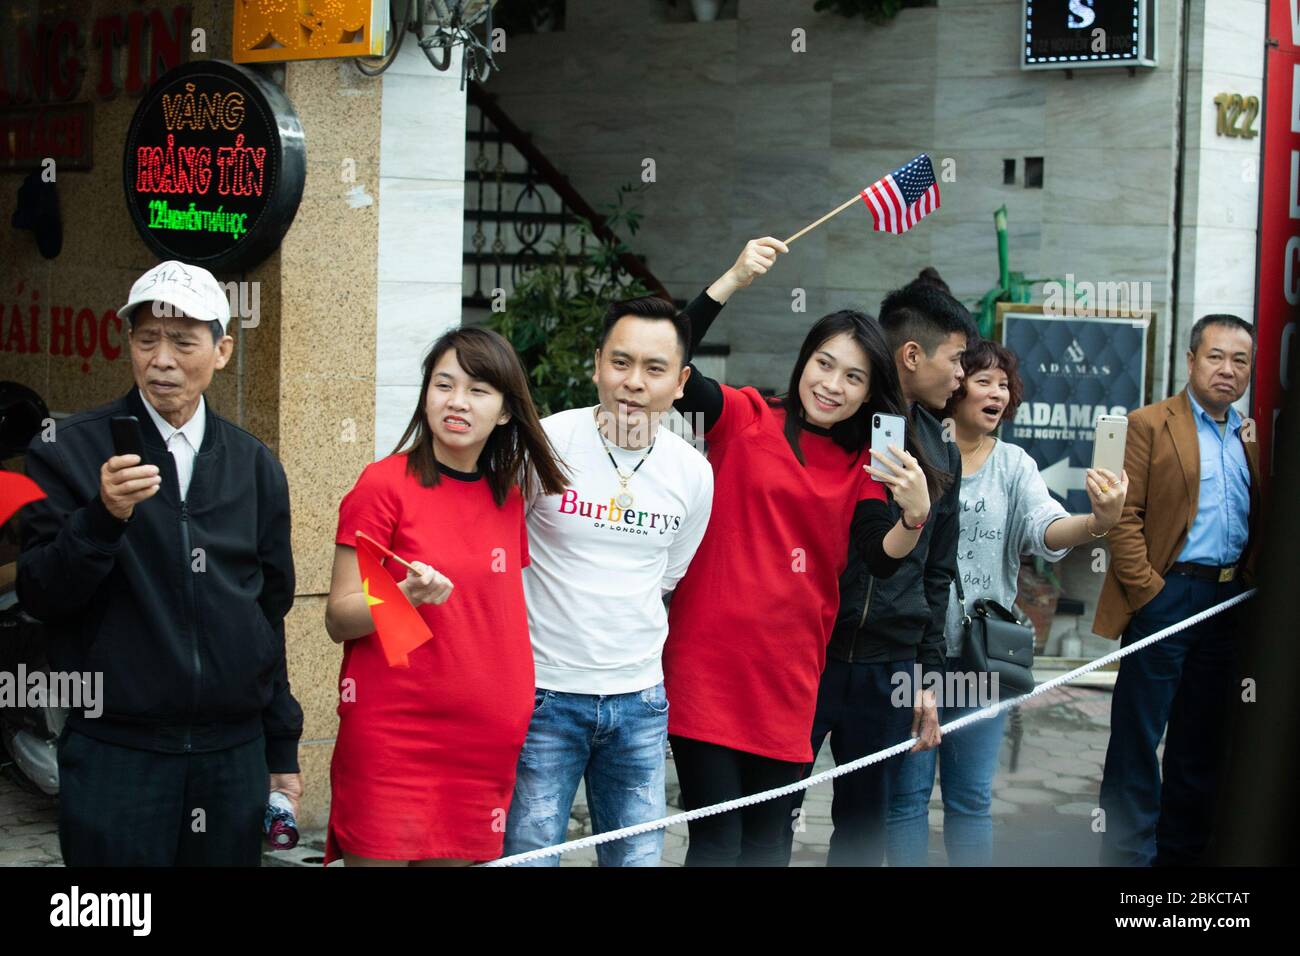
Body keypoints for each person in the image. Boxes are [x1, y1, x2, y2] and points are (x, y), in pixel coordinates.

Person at [662, 239, 938, 867]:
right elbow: (670, 361)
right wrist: (731, 278)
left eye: (853, 377)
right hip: (709, 663)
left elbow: (882, 553)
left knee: (767, 845)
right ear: (803, 361)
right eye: (824, 363)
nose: (832, 385)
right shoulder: (747, 416)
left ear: (871, 394)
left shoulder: (866, 464)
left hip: (789, 676)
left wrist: (915, 515)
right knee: (716, 841)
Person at [17, 260, 303, 866]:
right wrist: (101, 518)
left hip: (231, 756)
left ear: (221, 351)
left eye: (182, 341)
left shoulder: (254, 466)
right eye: (146, 340)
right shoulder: (71, 450)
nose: (162, 359)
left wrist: (281, 750)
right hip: (116, 751)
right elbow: (40, 594)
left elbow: (268, 610)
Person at [323, 327, 567, 866]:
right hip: (392, 731)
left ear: (505, 411)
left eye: (479, 390)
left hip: (482, 737)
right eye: (444, 384)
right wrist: (402, 594)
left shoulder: (507, 494)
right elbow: (340, 618)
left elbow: (495, 614)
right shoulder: (383, 484)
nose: (457, 402)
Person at [887, 339, 1127, 866]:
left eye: (1004, 384)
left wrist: (1097, 522)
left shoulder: (1014, 464)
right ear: (954, 386)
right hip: (909, 652)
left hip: (982, 658)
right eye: (982, 380)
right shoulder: (914, 449)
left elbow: (1045, 527)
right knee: (903, 799)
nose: (997, 393)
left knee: (970, 800)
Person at [502, 296, 714, 867]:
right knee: (529, 854)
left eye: (654, 368)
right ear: (596, 364)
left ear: (680, 381)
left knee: (637, 858)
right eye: (620, 363)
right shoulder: (541, 444)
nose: (633, 383)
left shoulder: (693, 472)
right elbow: (501, 551)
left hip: (640, 701)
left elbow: (669, 572)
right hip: (543, 694)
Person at [781, 271, 973, 866]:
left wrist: (928, 677)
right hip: (809, 653)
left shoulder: (942, 452)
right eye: (958, 359)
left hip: (889, 668)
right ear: (912, 355)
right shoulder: (835, 429)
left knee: (865, 827)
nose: (962, 376)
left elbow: (937, 576)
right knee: (771, 811)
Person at [1096, 314, 1261, 866]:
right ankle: (1126, 861)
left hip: (1228, 601)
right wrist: (1149, 593)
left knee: (1202, 742)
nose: (1227, 370)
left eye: (1240, 360)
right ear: (1190, 360)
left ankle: (1182, 861)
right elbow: (1124, 517)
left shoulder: (1250, 435)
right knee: (1139, 741)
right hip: (1167, 596)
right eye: (1216, 356)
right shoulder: (1149, 424)